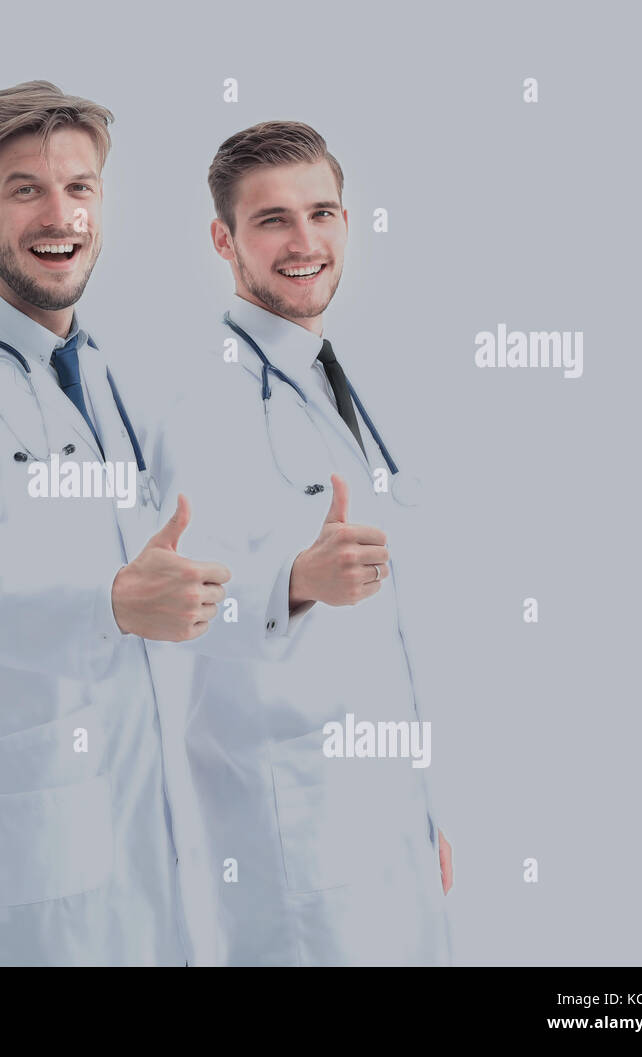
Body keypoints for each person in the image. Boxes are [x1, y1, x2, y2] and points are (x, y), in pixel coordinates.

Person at [0, 82, 229, 965]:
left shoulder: (108, 373)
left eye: (79, 187)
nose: (58, 213)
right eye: (25, 188)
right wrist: (110, 601)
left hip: (148, 814)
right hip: (30, 829)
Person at [160, 121, 454, 965]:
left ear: (346, 222)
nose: (304, 241)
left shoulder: (330, 374)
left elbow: (381, 642)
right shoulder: (202, 401)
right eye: (271, 220)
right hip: (294, 827)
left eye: (320, 213)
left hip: (383, 821)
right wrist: (292, 580)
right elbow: (176, 606)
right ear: (225, 240)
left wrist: (418, 813)